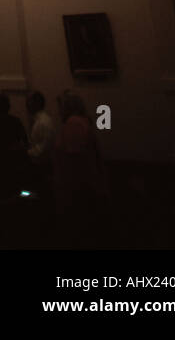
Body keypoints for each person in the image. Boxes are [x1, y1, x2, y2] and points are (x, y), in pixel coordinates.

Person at [54, 91, 108, 246]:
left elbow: (74, 162)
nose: (58, 111)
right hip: (86, 189)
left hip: (77, 193)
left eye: (60, 106)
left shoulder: (73, 125)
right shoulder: (82, 123)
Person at [0, 92, 29, 198]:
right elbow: (25, 140)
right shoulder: (16, 121)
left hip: (3, 155)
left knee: (5, 188)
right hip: (16, 157)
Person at [26, 90, 56, 198]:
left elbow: (43, 148)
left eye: (29, 102)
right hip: (40, 164)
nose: (27, 105)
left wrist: (27, 153)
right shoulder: (42, 121)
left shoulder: (43, 122)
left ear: (37, 103)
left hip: (41, 165)